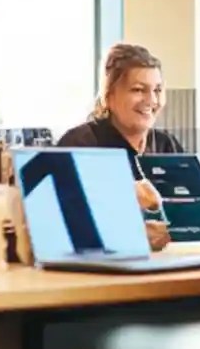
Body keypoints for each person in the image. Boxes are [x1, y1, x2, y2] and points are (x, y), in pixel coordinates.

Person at [58, 43, 184, 248]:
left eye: (158, 90)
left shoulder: (166, 145)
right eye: (138, 90)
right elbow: (60, 220)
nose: (151, 100)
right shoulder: (81, 145)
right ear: (109, 95)